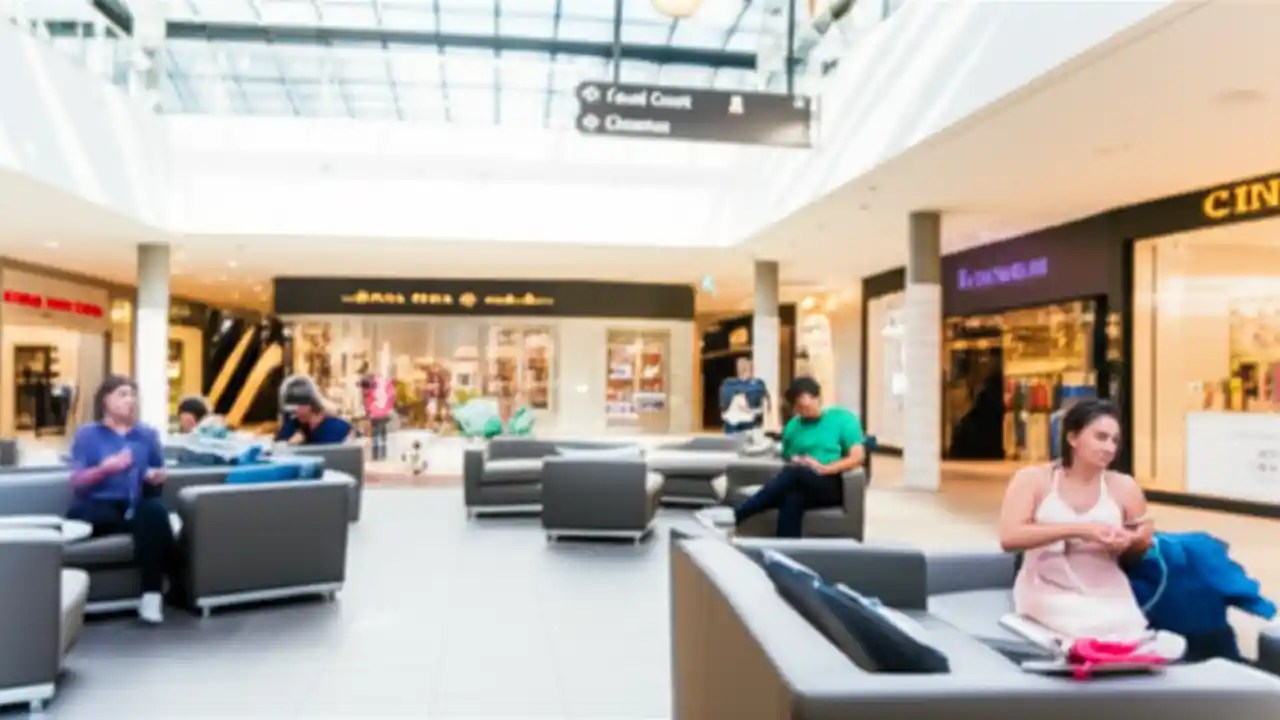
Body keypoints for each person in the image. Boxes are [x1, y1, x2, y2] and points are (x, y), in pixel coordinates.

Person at [1000, 399, 1165, 643]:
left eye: (1115, 440)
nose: (1109, 447)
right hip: (1045, 585)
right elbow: (1009, 537)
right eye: (1101, 437)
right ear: (1073, 438)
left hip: (1108, 588)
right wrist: (1081, 530)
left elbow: (1142, 542)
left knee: (1127, 630)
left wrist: (1129, 540)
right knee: (1088, 630)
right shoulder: (1033, 480)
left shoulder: (1124, 486)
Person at [700, 376, 864, 538]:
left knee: (793, 473)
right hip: (804, 481)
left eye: (806, 406)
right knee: (792, 499)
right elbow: (788, 456)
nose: (803, 412)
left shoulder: (842, 419)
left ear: (817, 398)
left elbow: (858, 457)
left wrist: (825, 468)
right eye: (799, 408)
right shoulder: (793, 426)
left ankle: (737, 515)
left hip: (831, 481)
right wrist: (797, 460)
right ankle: (786, 549)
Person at [67, 375, 174, 624]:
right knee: (91, 516)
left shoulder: (146, 435)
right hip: (99, 506)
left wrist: (157, 477)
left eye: (133, 395)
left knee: (155, 512)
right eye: (123, 394)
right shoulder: (88, 435)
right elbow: (77, 481)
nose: (131, 400)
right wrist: (107, 469)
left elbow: (158, 470)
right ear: (106, 400)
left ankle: (151, 596)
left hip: (135, 504)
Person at [276, 375, 352, 445]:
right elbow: (276, 452)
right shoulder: (291, 426)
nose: (295, 410)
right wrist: (289, 445)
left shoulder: (338, 427)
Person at [718, 356, 770, 435]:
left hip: (731, 422)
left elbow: (723, 405)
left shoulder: (728, 384)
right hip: (749, 422)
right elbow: (766, 404)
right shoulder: (758, 385)